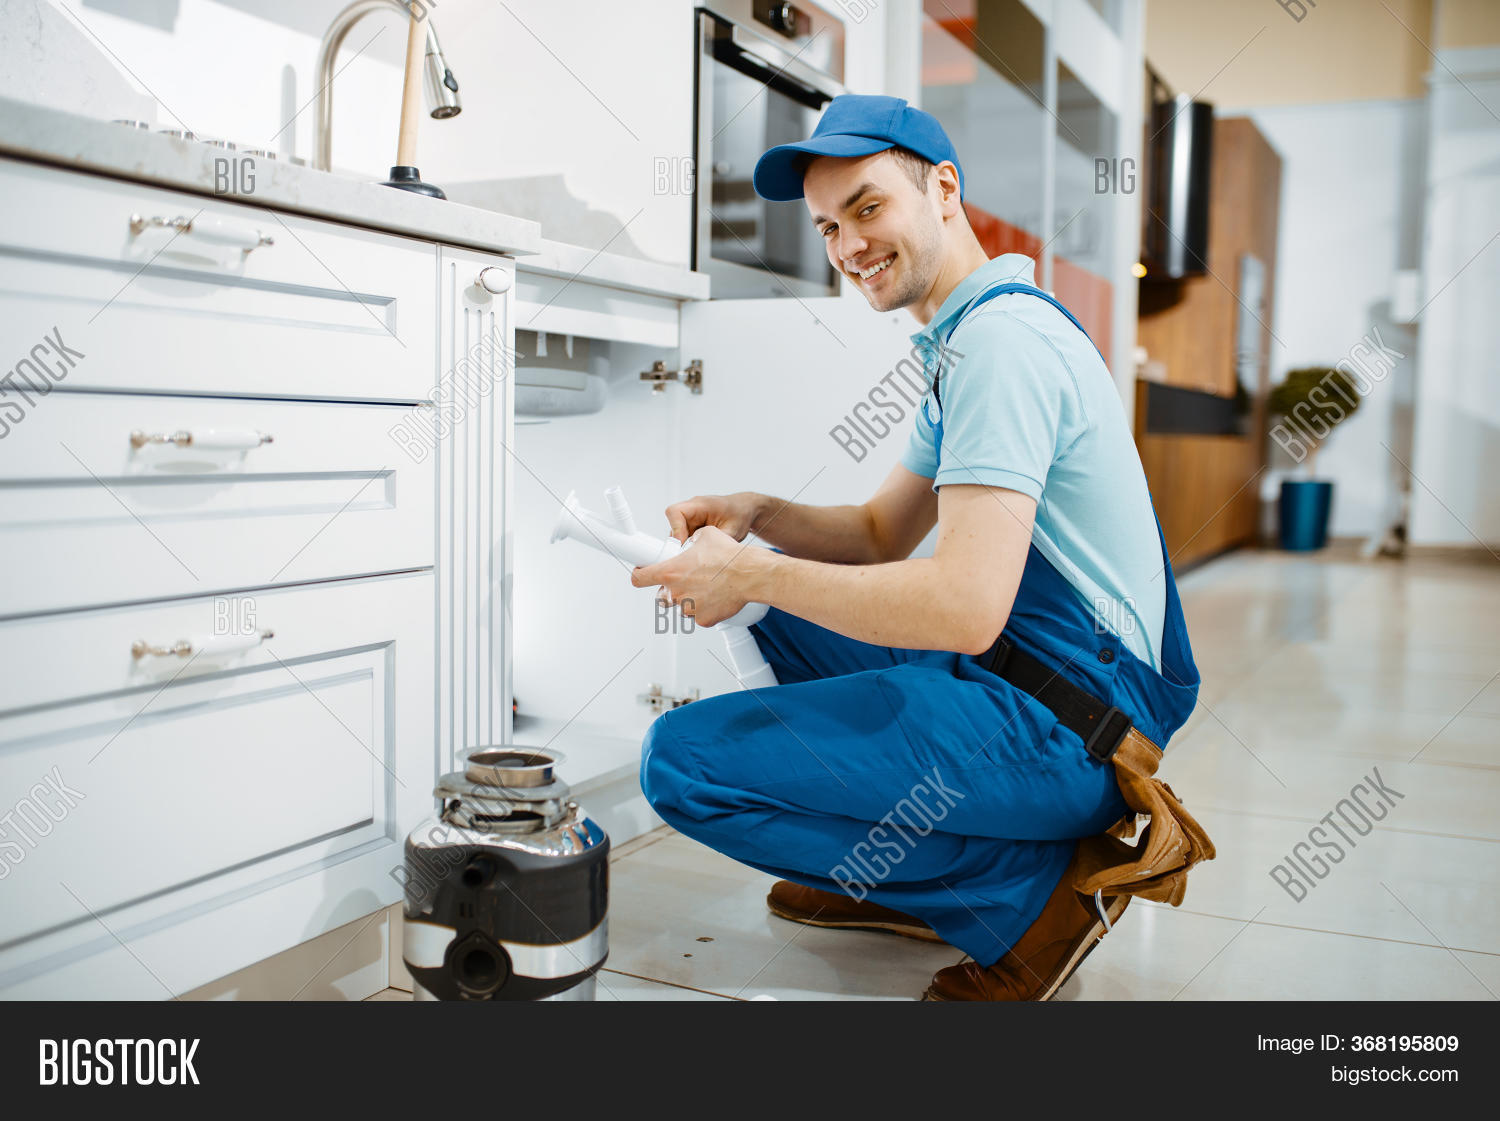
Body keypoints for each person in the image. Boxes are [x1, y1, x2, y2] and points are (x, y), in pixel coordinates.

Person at [629, 94, 1206, 1001]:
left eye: (867, 208)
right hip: (1037, 677)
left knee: (682, 764)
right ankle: (903, 873)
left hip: (1075, 725)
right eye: (828, 226)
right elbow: (876, 534)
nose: (848, 245)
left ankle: (1024, 893)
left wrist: (749, 570)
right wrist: (758, 514)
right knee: (780, 614)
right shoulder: (966, 338)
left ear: (943, 189)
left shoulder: (1002, 348)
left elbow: (966, 608)